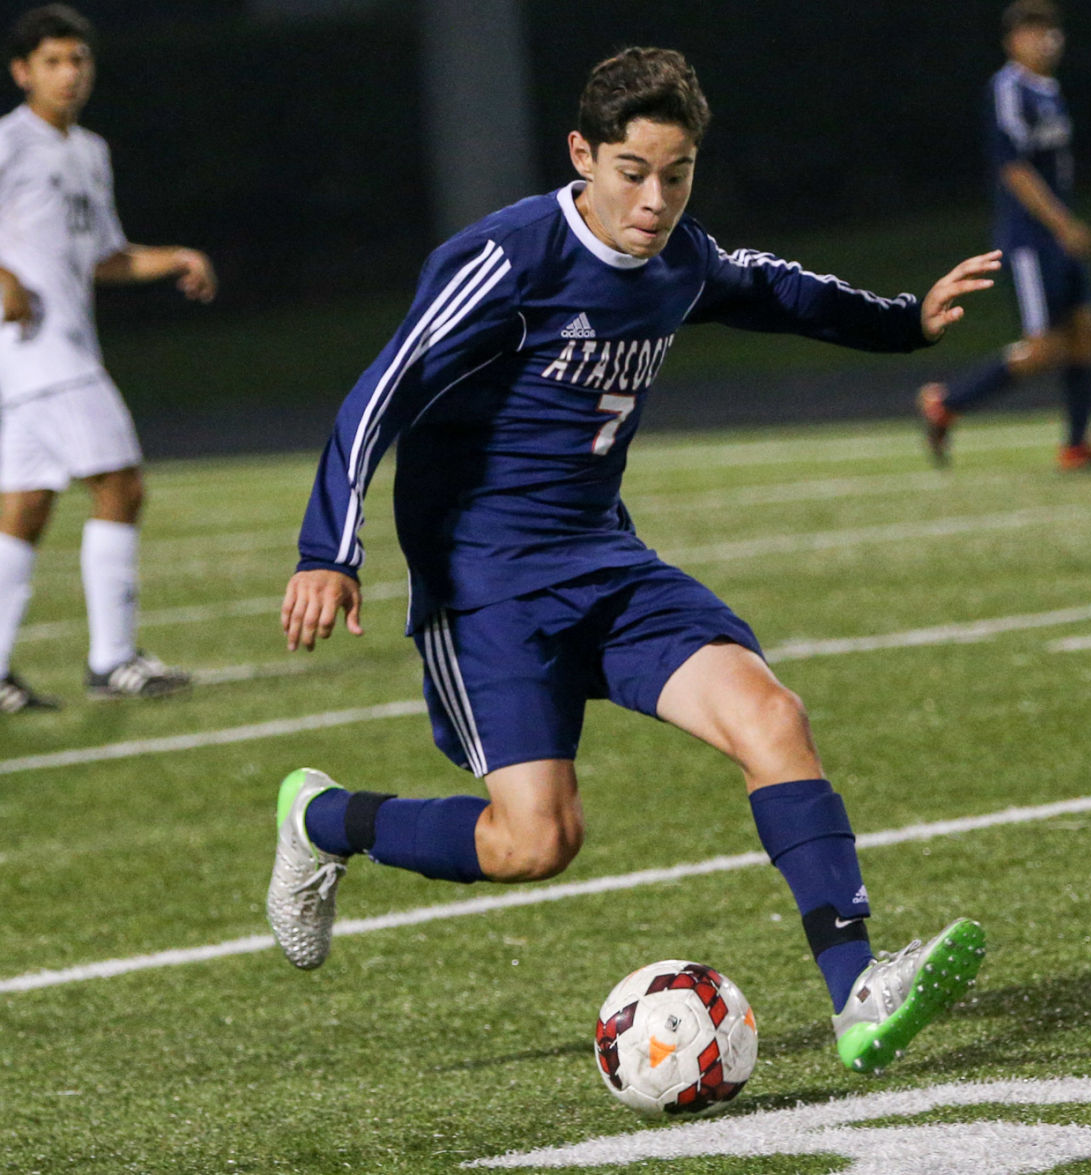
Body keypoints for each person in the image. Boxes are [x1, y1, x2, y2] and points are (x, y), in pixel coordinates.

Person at [266, 46, 994, 1076]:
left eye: (677, 172)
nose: (654, 200)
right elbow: (377, 390)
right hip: (487, 587)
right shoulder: (508, 258)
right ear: (582, 155)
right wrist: (326, 550)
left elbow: (775, 291)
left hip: (609, 564)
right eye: (631, 171)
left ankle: (857, 991)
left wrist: (902, 324)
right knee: (536, 841)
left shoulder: (677, 260)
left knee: (772, 718)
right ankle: (322, 817)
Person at [0, 4, 215, 712]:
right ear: (23, 72)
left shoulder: (90, 152)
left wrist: (175, 257)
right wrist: (7, 279)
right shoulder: (0, 144)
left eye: (78, 60)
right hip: (38, 350)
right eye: (53, 62)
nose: (69, 74)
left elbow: (105, 261)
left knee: (26, 505)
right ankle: (113, 659)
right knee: (121, 485)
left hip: (59, 350)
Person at [915, 0, 1091, 472]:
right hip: (1031, 239)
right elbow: (1014, 169)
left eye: (1048, 31)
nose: (1043, 40)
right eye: (1031, 32)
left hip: (1057, 236)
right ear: (1011, 41)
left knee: (1085, 330)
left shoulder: (1049, 90)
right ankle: (946, 404)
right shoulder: (1008, 88)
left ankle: (1076, 445)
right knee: (1044, 347)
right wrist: (1064, 226)